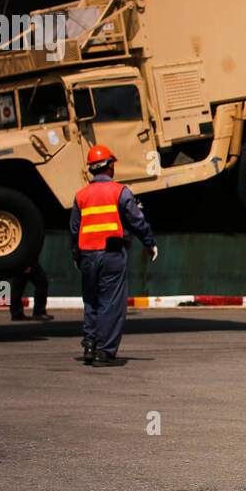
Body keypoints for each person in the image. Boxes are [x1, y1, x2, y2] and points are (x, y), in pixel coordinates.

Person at [70, 145, 157, 366]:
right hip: (111, 255)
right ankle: (105, 352)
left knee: (91, 300)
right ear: (110, 166)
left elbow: (74, 229)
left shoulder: (80, 195)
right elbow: (137, 220)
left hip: (88, 255)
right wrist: (149, 243)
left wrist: (76, 254)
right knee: (111, 303)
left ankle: (89, 345)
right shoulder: (120, 191)